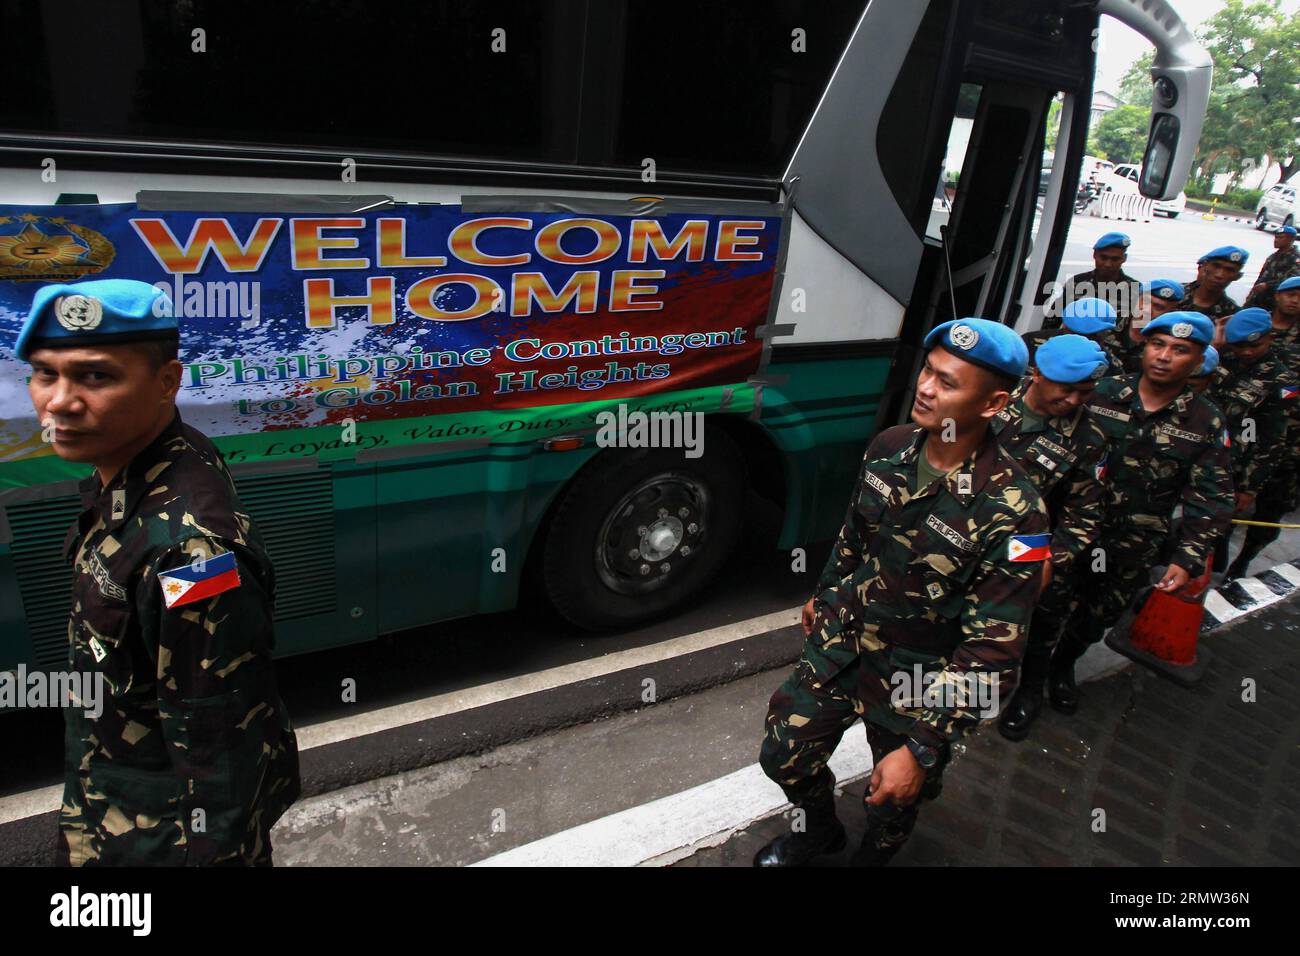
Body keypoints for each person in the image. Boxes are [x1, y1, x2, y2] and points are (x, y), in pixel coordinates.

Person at [18, 278, 300, 866]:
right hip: (111, 803)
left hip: (160, 842)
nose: (59, 402)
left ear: (167, 383)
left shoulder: (192, 554)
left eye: (96, 376)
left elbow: (219, 748)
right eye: (46, 373)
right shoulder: (130, 469)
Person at [756, 318, 1049, 867]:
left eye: (948, 382)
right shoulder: (890, 446)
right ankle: (819, 832)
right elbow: (853, 534)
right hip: (845, 637)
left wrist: (923, 746)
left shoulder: (1019, 514)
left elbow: (995, 653)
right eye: (928, 372)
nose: (926, 388)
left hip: (921, 674)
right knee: (784, 754)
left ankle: (874, 857)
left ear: (994, 403)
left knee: (892, 799)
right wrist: (824, 593)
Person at [1033, 312, 1233, 713]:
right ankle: (1029, 686)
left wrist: (1187, 557)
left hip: (1131, 543)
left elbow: (1211, 496)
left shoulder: (1205, 421)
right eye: (1158, 345)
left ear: (1198, 360)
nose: (1164, 356)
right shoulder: (1098, 394)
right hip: (1066, 533)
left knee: (1095, 617)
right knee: (1044, 609)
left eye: (1180, 350)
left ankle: (1062, 668)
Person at [993, 335, 1114, 740]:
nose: (1076, 400)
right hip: (959, 539)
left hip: (1030, 550)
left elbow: (1083, 514)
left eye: (1087, 391)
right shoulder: (991, 400)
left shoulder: (1088, 438)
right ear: (1038, 374)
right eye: (1068, 389)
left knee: (1039, 629)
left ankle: (1028, 694)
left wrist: (1038, 558)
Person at [1223, 278, 1300, 579]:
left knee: (1269, 511)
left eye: (1254, 345)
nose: (1246, 351)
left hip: (1285, 450)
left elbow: (1272, 438)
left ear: (1266, 340)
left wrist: (1249, 487)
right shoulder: (1236, 345)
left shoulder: (1280, 379)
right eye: (1290, 294)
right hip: (1236, 451)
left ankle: (1243, 561)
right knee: (1222, 518)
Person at [1043, 232, 1139, 333]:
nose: (1108, 264)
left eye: (1115, 259)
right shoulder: (1076, 283)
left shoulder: (1135, 289)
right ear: (1095, 255)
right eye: (1104, 257)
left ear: (1124, 259)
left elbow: (1138, 333)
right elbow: (1052, 321)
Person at [1024, 297, 1124, 372]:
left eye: (1089, 336)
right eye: (1073, 333)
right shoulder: (1031, 342)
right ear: (1065, 326)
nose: (1078, 341)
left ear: (1102, 337)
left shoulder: (1108, 366)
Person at [1119, 279, 1184, 374]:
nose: (1147, 310)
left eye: (1158, 307)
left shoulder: (1171, 340)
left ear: (1170, 313)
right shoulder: (1109, 322)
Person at [1179, 246, 1248, 328]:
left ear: (1237, 276)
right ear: (1204, 266)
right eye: (1216, 266)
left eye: (1229, 270)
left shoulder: (1231, 315)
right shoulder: (1175, 292)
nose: (1219, 275)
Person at [1243, 225, 1300, 311]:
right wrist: (1251, 295)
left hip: (1275, 303)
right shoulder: (1272, 257)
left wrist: (1268, 286)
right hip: (1258, 300)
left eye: (1280, 238)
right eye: (1276, 237)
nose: (1276, 240)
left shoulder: (1295, 258)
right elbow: (1261, 278)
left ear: (1291, 239)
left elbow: (1292, 281)